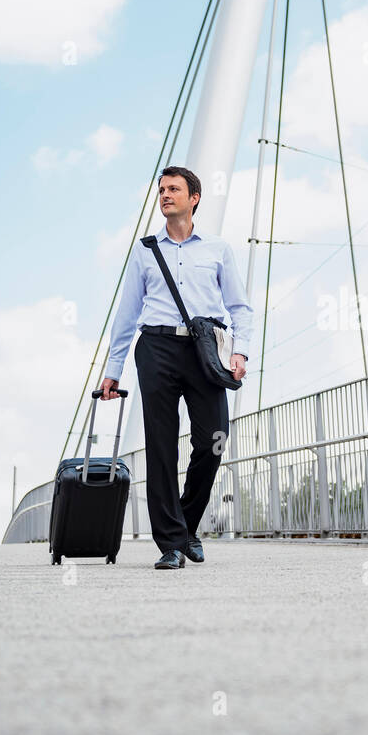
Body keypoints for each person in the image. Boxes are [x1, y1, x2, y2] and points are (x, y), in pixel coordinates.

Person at [99, 166, 253, 570]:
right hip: (157, 348)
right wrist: (113, 368)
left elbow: (240, 308)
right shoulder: (145, 250)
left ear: (194, 198)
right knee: (161, 447)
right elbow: (127, 313)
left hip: (205, 351)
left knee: (214, 439)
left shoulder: (218, 249)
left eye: (174, 189)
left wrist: (241, 353)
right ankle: (170, 543)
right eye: (162, 189)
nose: (165, 195)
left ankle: (185, 523)